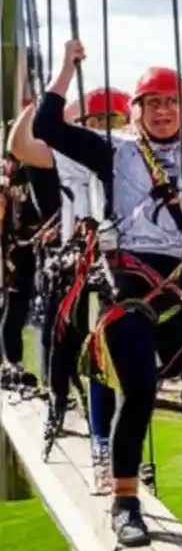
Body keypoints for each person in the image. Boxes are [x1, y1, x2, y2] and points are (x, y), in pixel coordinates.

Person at [32, 41, 182, 546]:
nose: (163, 112)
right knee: (137, 391)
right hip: (130, 279)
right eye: (152, 103)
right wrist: (67, 70)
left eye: (172, 104)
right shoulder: (114, 151)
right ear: (134, 112)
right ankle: (125, 501)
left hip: (179, 280)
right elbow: (47, 128)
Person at [9, 86, 132, 479]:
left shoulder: (129, 157)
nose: (102, 129)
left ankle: (105, 441)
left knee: (107, 356)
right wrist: (38, 105)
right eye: (95, 122)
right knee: (63, 347)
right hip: (75, 264)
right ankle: (58, 406)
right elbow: (21, 146)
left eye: (110, 121)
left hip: (116, 265)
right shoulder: (64, 156)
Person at [0, 98, 63, 395]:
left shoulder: (26, 167)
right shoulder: (15, 171)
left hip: (33, 242)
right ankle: (14, 365)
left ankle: (37, 373)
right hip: (19, 245)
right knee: (19, 304)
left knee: (44, 308)